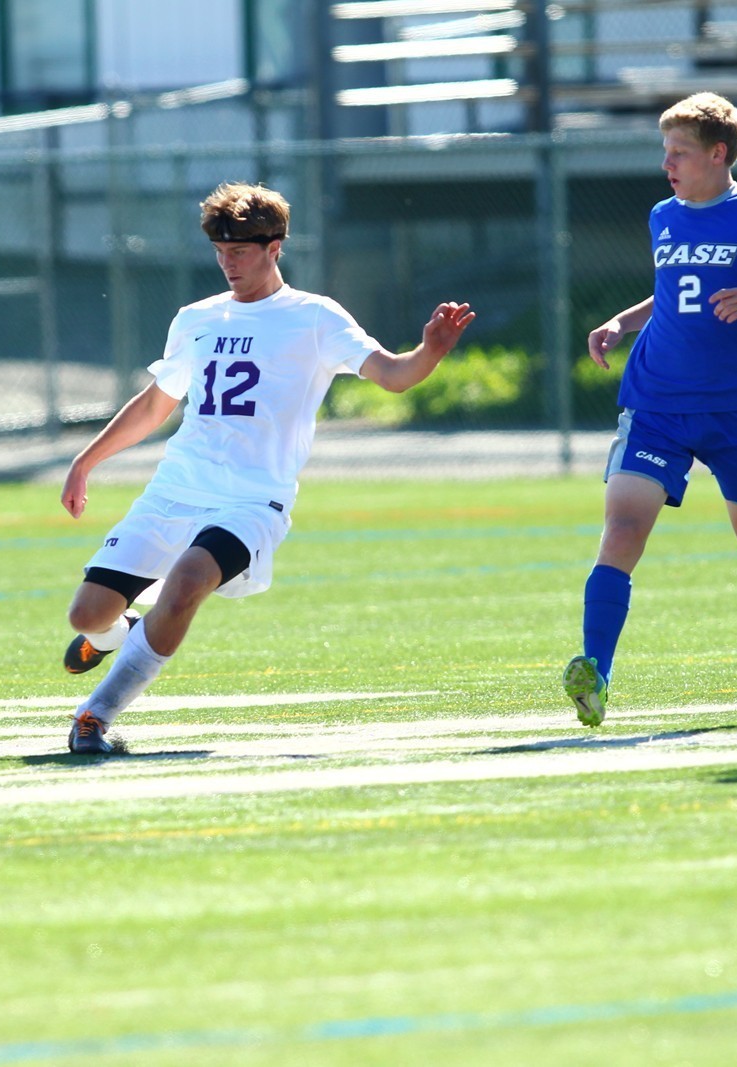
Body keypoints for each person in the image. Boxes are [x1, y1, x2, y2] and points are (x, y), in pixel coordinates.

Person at [58, 181, 474, 753]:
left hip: (253, 502)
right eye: (220, 250)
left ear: (275, 247)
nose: (229, 262)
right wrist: (86, 461)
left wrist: (430, 351)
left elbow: (394, 376)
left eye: (241, 251)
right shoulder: (195, 318)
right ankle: (120, 634)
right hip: (176, 489)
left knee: (183, 586)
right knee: (87, 615)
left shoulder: (314, 317)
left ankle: (95, 716)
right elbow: (158, 403)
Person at [563, 92, 737, 728]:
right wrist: (622, 323)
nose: (668, 164)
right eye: (665, 152)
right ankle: (595, 672)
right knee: (623, 529)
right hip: (656, 402)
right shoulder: (664, 215)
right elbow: (673, 293)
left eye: (679, 153)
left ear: (718, 155)